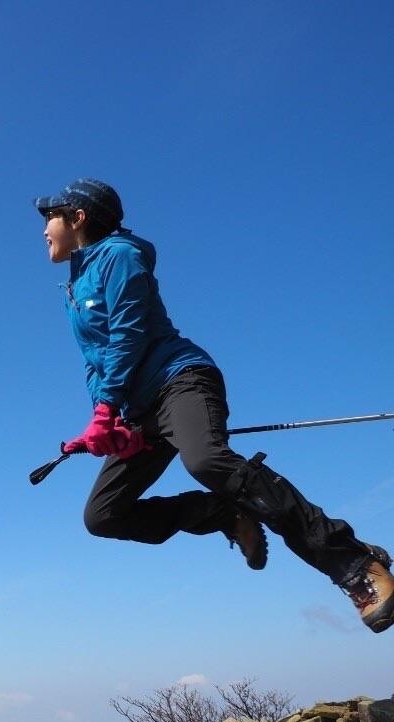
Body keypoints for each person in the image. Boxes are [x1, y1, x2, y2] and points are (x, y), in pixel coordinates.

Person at [34, 177, 394, 633]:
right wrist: (109, 419)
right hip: (140, 409)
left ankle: (353, 562)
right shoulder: (76, 279)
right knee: (103, 516)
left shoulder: (120, 256)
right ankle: (224, 513)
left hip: (181, 381)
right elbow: (95, 358)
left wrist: (105, 409)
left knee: (206, 461)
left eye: (50, 216)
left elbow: (130, 331)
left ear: (78, 217)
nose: (44, 228)